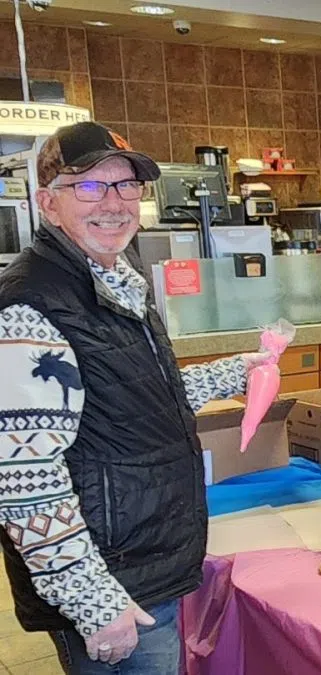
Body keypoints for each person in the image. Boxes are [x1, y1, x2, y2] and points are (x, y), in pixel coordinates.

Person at [0, 122, 269, 673]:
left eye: (126, 186)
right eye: (90, 187)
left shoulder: (112, 280)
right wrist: (92, 603)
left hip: (140, 563)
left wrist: (230, 373)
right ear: (48, 204)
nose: (115, 203)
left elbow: (125, 403)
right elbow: (24, 478)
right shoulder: (33, 305)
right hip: (112, 581)